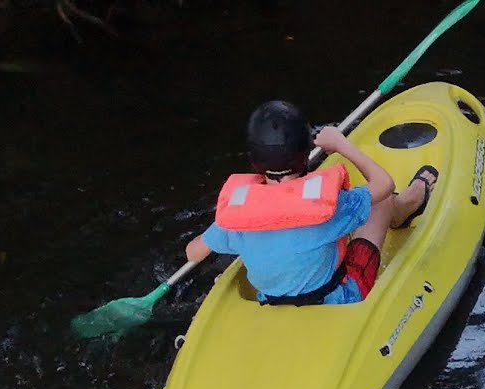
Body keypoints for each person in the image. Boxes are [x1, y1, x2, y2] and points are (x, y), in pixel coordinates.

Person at [183, 99, 438, 307]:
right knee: (379, 202)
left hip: (270, 300)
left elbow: (193, 252)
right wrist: (341, 144)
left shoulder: (237, 218)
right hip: (339, 297)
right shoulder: (333, 207)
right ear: (306, 153)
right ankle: (407, 205)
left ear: (253, 160)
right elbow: (384, 185)